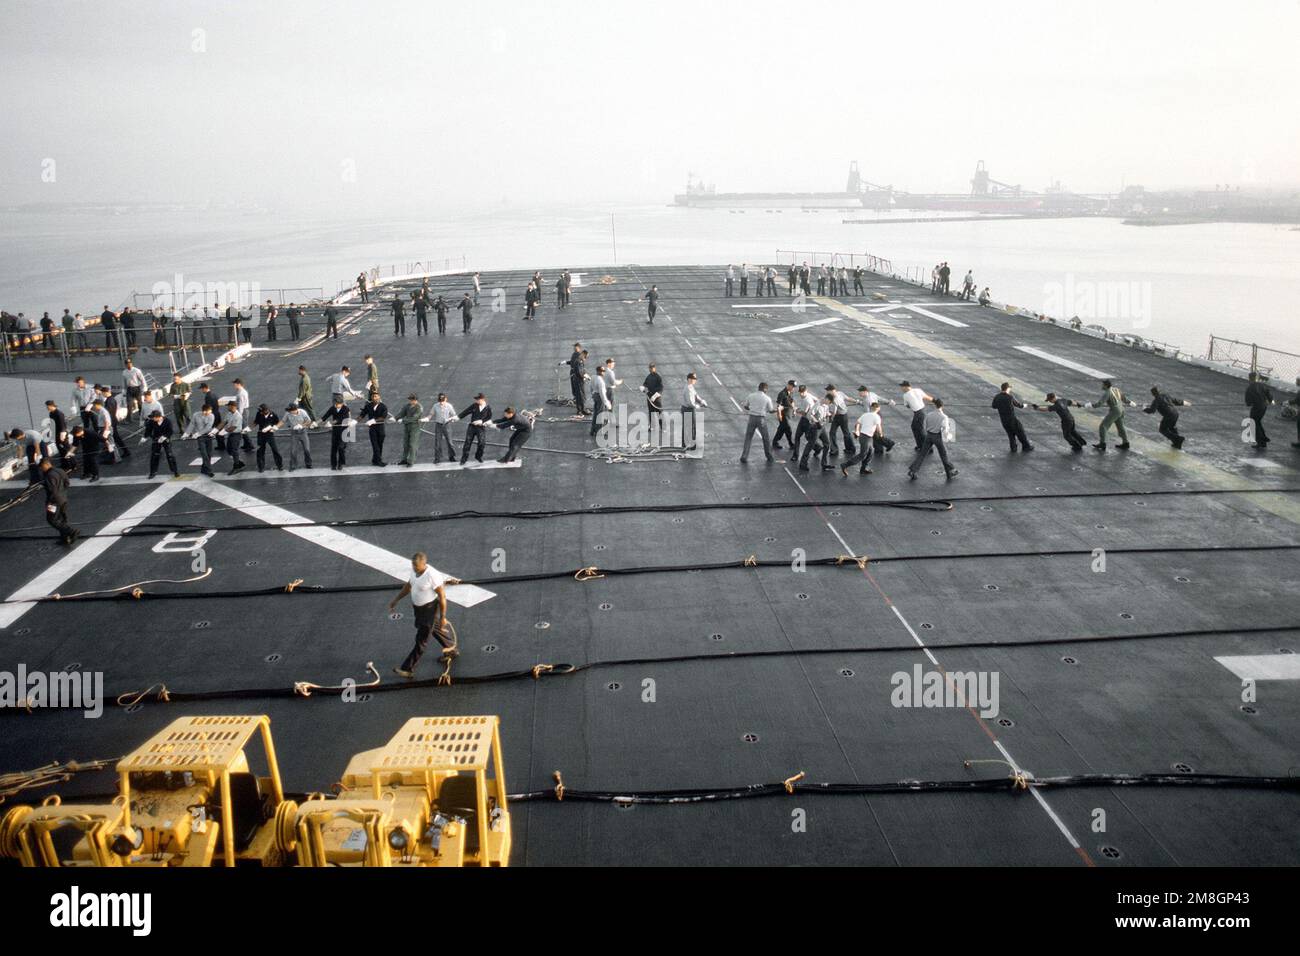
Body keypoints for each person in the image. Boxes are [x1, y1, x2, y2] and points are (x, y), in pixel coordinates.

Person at [390, 552, 455, 677]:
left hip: (429, 609)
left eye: (417, 566)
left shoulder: (432, 575)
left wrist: (443, 617)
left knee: (421, 640)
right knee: (434, 628)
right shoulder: (414, 571)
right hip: (419, 610)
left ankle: (408, 669)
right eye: (413, 565)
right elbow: (409, 585)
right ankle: (451, 649)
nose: (414, 568)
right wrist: (396, 599)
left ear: (424, 564)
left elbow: (442, 597)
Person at [908, 398, 958, 480]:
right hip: (937, 437)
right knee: (943, 455)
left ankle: (913, 471)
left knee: (922, 455)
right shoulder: (944, 417)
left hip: (929, 435)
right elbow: (945, 430)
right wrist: (948, 436)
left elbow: (926, 426)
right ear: (942, 406)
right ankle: (951, 471)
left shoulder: (929, 415)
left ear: (934, 405)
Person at [1086, 379, 1136, 450]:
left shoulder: (1107, 393)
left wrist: (1091, 405)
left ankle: (1102, 443)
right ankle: (1126, 443)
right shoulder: (1116, 389)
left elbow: (1099, 404)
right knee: (1121, 427)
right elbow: (1124, 398)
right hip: (1121, 409)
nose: (1102, 386)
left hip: (1115, 411)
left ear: (1106, 386)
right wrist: (1130, 402)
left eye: (1103, 385)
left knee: (1103, 426)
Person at [39, 458, 77, 546]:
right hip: (63, 499)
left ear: (46, 465)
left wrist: (49, 503)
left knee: (52, 520)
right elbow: (67, 483)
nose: (42, 469)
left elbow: (52, 491)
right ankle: (65, 538)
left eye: (42, 467)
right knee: (62, 519)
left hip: (54, 502)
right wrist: (62, 493)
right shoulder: (60, 470)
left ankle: (71, 532)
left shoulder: (49, 475)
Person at [840, 402, 883, 476]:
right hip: (866, 437)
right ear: (878, 408)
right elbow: (879, 428)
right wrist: (881, 434)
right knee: (862, 455)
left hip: (863, 436)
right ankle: (845, 465)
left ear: (871, 407)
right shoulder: (876, 416)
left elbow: (857, 423)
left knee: (870, 452)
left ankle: (864, 469)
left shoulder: (865, 414)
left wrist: (857, 431)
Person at [739, 382, 777, 464]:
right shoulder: (767, 398)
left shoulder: (751, 395)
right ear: (765, 389)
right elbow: (771, 410)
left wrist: (753, 408)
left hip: (752, 418)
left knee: (748, 437)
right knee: (765, 438)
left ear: (758, 388)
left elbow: (746, 406)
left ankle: (744, 456)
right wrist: (778, 409)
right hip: (761, 419)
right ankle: (769, 456)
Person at [992, 383, 1034, 452]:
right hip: (1012, 419)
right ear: (1007, 388)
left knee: (1010, 434)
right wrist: (1026, 405)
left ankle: (1013, 448)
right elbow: (1019, 405)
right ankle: (1026, 446)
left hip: (1003, 420)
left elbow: (994, 406)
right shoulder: (1010, 397)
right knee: (1020, 432)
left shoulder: (997, 397)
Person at [856, 385, 897, 455]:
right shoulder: (871, 394)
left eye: (860, 392)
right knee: (875, 433)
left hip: (872, 416)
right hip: (877, 414)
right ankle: (880, 448)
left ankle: (888, 444)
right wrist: (888, 402)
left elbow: (868, 412)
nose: (859, 393)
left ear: (865, 391)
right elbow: (880, 399)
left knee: (875, 433)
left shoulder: (867, 400)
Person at [798, 395, 834, 472]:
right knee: (810, 445)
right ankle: (803, 463)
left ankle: (824, 464)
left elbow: (826, 412)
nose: (829, 404)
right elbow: (809, 415)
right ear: (826, 399)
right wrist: (816, 422)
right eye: (829, 402)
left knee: (827, 444)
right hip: (816, 428)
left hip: (822, 427)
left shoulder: (825, 405)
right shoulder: (817, 405)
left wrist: (829, 415)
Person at [182, 403, 217, 477]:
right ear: (203, 411)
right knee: (204, 454)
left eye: (209, 411)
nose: (208, 413)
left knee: (209, 454)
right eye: (206, 411)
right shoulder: (196, 415)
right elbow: (192, 424)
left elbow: (208, 427)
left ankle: (204, 469)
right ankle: (209, 470)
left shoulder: (211, 416)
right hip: (200, 438)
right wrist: (186, 433)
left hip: (208, 436)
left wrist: (198, 433)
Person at [144, 410, 180, 479]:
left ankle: (175, 471)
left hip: (165, 439)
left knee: (170, 455)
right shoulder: (152, 422)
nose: (152, 419)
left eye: (153, 417)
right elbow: (148, 430)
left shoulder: (167, 421)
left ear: (158, 417)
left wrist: (164, 437)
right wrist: (144, 437)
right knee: (154, 455)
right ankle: (153, 472)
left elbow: (170, 431)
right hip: (156, 439)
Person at [458, 394, 492, 464]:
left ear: (482, 399)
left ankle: (478, 456)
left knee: (482, 443)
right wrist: (458, 417)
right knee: (467, 442)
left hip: (481, 428)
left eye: (478, 400)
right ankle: (464, 459)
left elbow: (489, 417)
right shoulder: (474, 405)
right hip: (472, 427)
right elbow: (465, 412)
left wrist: (482, 421)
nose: (476, 401)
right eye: (476, 400)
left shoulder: (488, 408)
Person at [899, 381, 933, 450]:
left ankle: (928, 447)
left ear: (906, 387)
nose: (901, 389)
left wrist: (910, 404)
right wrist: (936, 402)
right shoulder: (918, 390)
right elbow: (927, 398)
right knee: (914, 427)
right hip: (922, 411)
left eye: (902, 387)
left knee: (920, 429)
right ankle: (920, 445)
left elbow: (907, 406)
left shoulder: (905, 395)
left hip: (918, 413)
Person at [1244, 372, 1274, 449]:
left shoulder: (1250, 388)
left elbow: (1248, 402)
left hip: (1256, 407)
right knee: (1257, 422)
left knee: (1253, 423)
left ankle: (1261, 441)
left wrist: (1249, 403)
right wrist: (1270, 401)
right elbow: (1269, 394)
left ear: (1249, 378)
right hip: (1264, 407)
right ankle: (1263, 439)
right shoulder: (1261, 385)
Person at [251, 403, 284, 471]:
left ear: (266, 410)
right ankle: (261, 467)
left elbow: (277, 423)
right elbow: (256, 422)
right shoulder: (259, 414)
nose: (261, 412)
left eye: (262, 411)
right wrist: (249, 428)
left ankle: (280, 465)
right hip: (261, 434)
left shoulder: (273, 415)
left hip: (269, 434)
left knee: (275, 450)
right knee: (260, 450)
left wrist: (273, 428)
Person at [360, 390, 389, 466]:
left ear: (379, 397)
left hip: (380, 429)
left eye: (376, 396)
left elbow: (383, 417)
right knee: (375, 445)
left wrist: (373, 420)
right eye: (373, 396)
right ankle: (379, 461)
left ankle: (375, 460)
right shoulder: (368, 406)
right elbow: (362, 415)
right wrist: (354, 421)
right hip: (372, 429)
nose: (374, 398)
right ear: (371, 398)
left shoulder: (383, 406)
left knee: (380, 445)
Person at [394, 393, 424, 466]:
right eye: (410, 399)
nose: (410, 401)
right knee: (406, 444)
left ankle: (411, 461)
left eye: (412, 399)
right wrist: (395, 418)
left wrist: (403, 420)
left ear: (415, 400)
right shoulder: (407, 406)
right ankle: (404, 459)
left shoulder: (419, 407)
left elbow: (415, 417)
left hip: (415, 427)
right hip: (407, 427)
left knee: (412, 445)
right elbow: (402, 413)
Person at [321, 397, 350, 470]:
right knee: (333, 449)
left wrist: (331, 423)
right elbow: (325, 416)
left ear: (342, 404)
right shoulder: (333, 408)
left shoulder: (345, 409)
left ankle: (341, 463)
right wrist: (316, 423)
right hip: (335, 431)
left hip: (344, 431)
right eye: (335, 403)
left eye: (337, 404)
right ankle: (333, 464)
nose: (336, 405)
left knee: (341, 448)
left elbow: (341, 419)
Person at [282, 402, 312, 471]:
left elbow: (308, 421)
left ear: (295, 410)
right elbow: (283, 421)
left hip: (303, 432)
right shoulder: (288, 413)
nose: (289, 411)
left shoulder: (302, 412)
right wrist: (276, 427)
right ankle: (293, 465)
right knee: (293, 450)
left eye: (290, 410)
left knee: (307, 449)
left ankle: (308, 464)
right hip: (294, 433)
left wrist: (301, 425)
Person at [825, 384, 853, 457]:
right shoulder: (840, 393)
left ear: (832, 390)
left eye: (828, 391)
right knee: (839, 432)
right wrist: (857, 401)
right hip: (842, 415)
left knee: (843, 433)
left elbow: (834, 412)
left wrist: (831, 418)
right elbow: (848, 398)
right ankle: (850, 448)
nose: (827, 392)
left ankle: (835, 450)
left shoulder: (835, 399)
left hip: (841, 416)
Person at [681, 372, 707, 449]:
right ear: (689, 379)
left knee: (690, 427)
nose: (695, 380)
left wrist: (701, 401)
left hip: (689, 409)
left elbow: (695, 395)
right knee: (689, 427)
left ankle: (687, 444)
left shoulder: (691, 386)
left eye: (695, 379)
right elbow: (690, 403)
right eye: (693, 378)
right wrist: (698, 406)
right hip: (688, 409)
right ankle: (689, 445)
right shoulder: (688, 389)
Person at [44, 400, 73, 469]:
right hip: (56, 433)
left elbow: (62, 424)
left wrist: (62, 433)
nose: (47, 408)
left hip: (62, 434)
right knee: (60, 449)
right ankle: (64, 464)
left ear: (51, 406)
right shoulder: (51, 413)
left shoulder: (59, 414)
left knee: (66, 449)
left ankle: (71, 464)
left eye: (47, 406)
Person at [430, 393, 459, 462]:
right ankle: (437, 458)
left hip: (447, 425)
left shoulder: (449, 406)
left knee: (449, 441)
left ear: (446, 399)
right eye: (440, 401)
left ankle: (452, 457)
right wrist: (427, 418)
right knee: (437, 442)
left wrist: (449, 419)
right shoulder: (435, 406)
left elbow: (454, 415)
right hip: (438, 425)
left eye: (443, 400)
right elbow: (431, 414)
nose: (441, 402)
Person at [220, 400, 246, 473]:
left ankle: (236, 466)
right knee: (229, 450)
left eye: (228, 405)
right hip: (230, 434)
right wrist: (216, 430)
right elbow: (223, 422)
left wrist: (224, 431)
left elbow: (233, 427)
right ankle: (239, 462)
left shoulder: (238, 416)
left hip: (236, 434)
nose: (227, 407)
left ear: (233, 406)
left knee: (234, 450)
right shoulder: (229, 414)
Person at [642, 363, 664, 444]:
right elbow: (645, 384)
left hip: (656, 398)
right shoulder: (649, 376)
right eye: (650, 368)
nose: (651, 369)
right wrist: (643, 387)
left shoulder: (658, 377)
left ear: (655, 368)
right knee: (651, 412)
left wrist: (656, 395)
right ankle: (651, 426)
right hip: (649, 397)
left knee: (659, 412)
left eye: (652, 368)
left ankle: (662, 427)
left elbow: (661, 387)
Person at [773, 380, 797, 450]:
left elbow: (792, 402)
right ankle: (791, 443)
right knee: (788, 429)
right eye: (792, 386)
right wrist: (779, 415)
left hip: (788, 414)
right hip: (783, 415)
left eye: (794, 387)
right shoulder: (782, 394)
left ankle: (775, 442)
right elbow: (778, 406)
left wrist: (794, 410)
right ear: (789, 385)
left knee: (782, 429)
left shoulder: (791, 392)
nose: (793, 388)